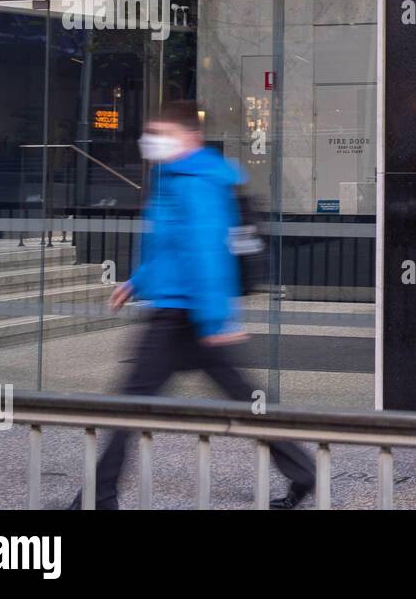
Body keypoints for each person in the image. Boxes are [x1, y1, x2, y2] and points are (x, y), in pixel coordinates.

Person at [70, 101, 315, 510]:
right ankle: (303, 472)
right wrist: (138, 281)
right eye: (152, 134)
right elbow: (170, 245)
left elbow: (206, 252)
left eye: (163, 134)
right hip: (180, 308)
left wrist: (216, 319)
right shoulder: (175, 176)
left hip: (183, 314)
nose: (153, 142)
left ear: (189, 137)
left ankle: (97, 499)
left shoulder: (196, 180)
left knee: (129, 404)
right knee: (241, 397)